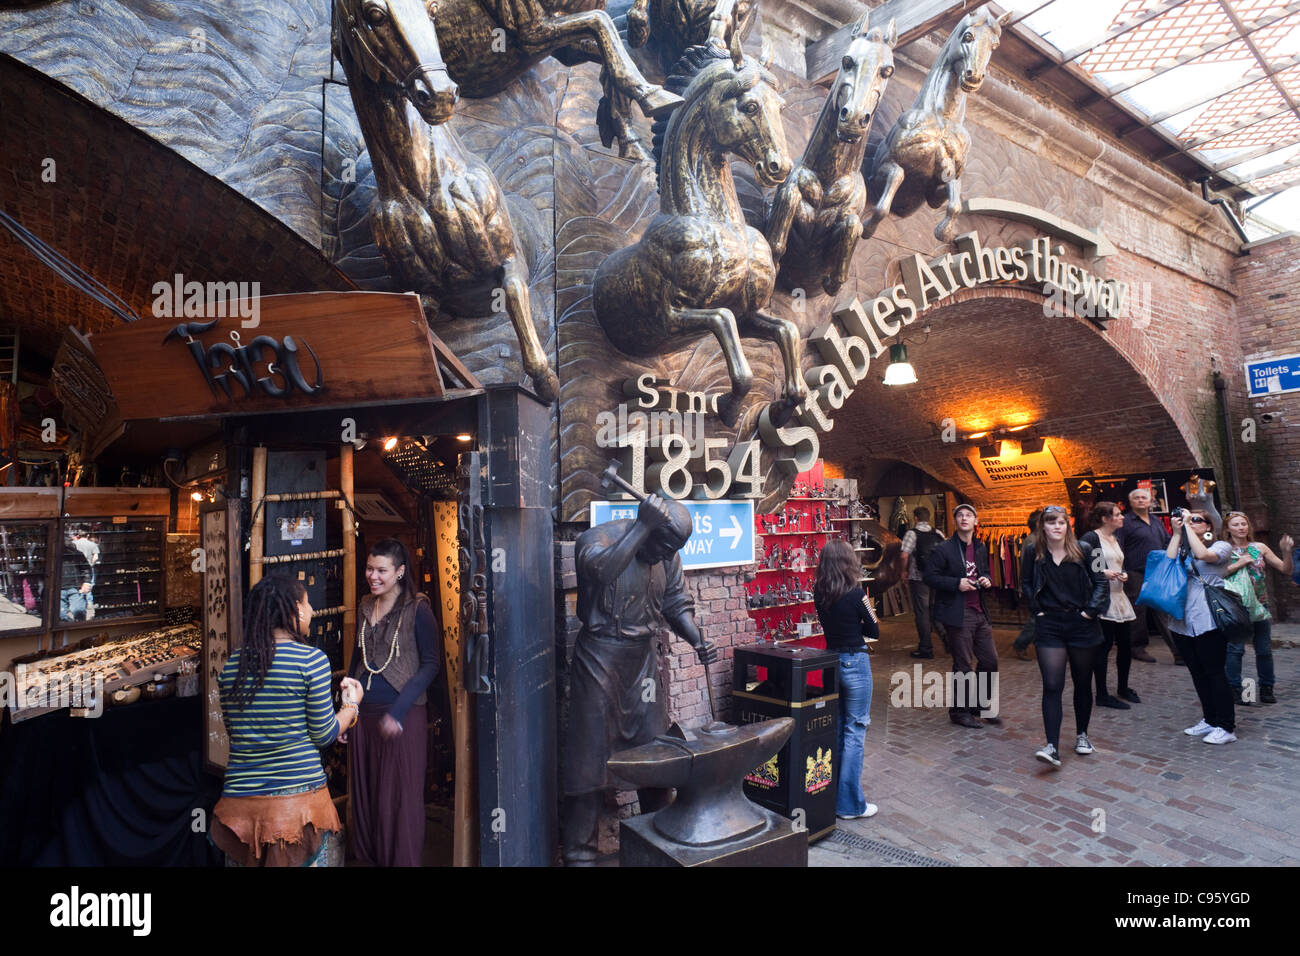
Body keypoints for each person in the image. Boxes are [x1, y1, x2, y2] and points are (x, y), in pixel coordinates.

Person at [562, 493, 717, 865]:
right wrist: (642, 526)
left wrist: (696, 639)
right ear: (648, 528)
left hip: (642, 663)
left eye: (673, 549)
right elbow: (600, 572)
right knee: (589, 761)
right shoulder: (596, 540)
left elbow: (676, 604)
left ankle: (657, 841)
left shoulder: (666, 552)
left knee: (655, 754)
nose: (666, 555)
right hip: (599, 661)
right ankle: (579, 854)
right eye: (663, 545)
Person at [213, 575, 364, 866]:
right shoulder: (311, 661)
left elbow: (236, 733)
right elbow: (324, 734)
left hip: (240, 816)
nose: (313, 612)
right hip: (298, 812)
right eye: (308, 604)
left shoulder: (234, 665)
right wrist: (351, 707)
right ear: (295, 609)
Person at [348, 537, 442, 867]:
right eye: (370, 569)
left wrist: (399, 713)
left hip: (402, 719)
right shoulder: (364, 606)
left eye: (382, 571)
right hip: (364, 717)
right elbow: (356, 660)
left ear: (400, 572)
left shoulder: (418, 609)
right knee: (369, 798)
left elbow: (432, 664)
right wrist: (347, 710)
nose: (373, 576)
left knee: (399, 801)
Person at [1021, 505, 1109, 768]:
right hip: (1050, 624)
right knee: (1052, 685)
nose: (1057, 526)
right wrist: (1036, 611)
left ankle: (1082, 735)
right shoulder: (1031, 551)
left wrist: (1090, 612)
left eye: (1061, 522)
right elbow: (1025, 582)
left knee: (1083, 682)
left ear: (1068, 525)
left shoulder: (1088, 547)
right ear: (1043, 526)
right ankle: (1052, 746)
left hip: (1081, 623)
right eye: (1051, 522)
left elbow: (1102, 581)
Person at [814, 537, 881, 820]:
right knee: (856, 730)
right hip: (855, 660)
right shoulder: (857, 594)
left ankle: (834, 796)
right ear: (848, 562)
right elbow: (875, 629)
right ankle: (851, 805)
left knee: (840, 728)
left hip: (832, 661)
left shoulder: (819, 592)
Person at [1164, 509, 1237, 744]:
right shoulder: (1184, 547)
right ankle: (1210, 719)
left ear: (1208, 526)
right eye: (1189, 518)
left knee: (1215, 673)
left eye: (1197, 520)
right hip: (1182, 620)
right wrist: (1177, 533)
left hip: (1208, 619)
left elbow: (1204, 554)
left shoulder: (1222, 547)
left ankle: (1226, 727)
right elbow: (1167, 562)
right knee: (1197, 673)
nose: (1191, 522)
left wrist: (1186, 525)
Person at [924, 503, 999, 728]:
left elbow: (983, 571)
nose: (964, 518)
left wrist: (986, 579)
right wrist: (957, 583)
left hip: (979, 612)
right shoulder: (944, 549)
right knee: (963, 664)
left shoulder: (980, 547)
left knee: (990, 660)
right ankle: (959, 711)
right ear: (955, 521)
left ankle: (980, 705)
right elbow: (930, 577)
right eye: (960, 515)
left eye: (969, 515)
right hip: (958, 613)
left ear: (975, 521)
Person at [1221, 511, 1294, 705]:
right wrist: (1240, 563)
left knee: (1264, 650)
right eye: (1236, 525)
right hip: (1236, 606)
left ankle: (1267, 688)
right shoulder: (1224, 549)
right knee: (1236, 649)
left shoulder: (1257, 548)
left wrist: (1286, 552)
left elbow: (1285, 569)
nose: (1241, 527)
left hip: (1260, 605)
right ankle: (1235, 689)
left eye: (1244, 524)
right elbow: (1216, 574)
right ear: (1227, 529)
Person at [1079, 501, 1139, 708]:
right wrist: (1106, 573)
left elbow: (1117, 563)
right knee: (1103, 648)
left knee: (1125, 645)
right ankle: (1102, 695)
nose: (1122, 517)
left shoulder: (1115, 538)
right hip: (1104, 599)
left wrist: (1121, 574)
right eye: (1117, 514)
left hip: (1119, 596)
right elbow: (1088, 567)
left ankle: (1123, 687)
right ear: (1105, 519)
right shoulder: (1092, 538)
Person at [1116, 487, 1181, 664]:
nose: (1140, 500)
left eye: (1144, 497)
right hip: (1135, 571)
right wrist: (1122, 570)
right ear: (1130, 502)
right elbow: (1118, 546)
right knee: (1138, 612)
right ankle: (1137, 648)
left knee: (1163, 610)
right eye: (1136, 498)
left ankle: (1178, 652)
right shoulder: (1125, 522)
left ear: (1151, 501)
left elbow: (1167, 541)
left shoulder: (1156, 520)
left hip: (1157, 572)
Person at [900, 506, 945, 659]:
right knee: (936, 610)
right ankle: (950, 641)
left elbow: (904, 555)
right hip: (937, 578)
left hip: (919, 579)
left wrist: (904, 571)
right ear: (929, 517)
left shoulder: (911, 534)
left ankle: (926, 648)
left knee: (922, 613)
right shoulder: (938, 533)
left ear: (916, 518)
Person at [1012, 510, 1042, 660]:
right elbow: (1027, 566)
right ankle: (1020, 644)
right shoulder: (1031, 541)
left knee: (1039, 617)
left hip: (1039, 584)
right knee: (1036, 618)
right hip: (1036, 585)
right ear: (1038, 523)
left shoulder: (1038, 539)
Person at [58, 531, 93, 622]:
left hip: (75, 588)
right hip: (59, 589)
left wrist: (87, 582)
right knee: (61, 616)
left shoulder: (76, 554)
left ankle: (78, 630)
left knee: (79, 612)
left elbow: (86, 568)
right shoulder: (53, 556)